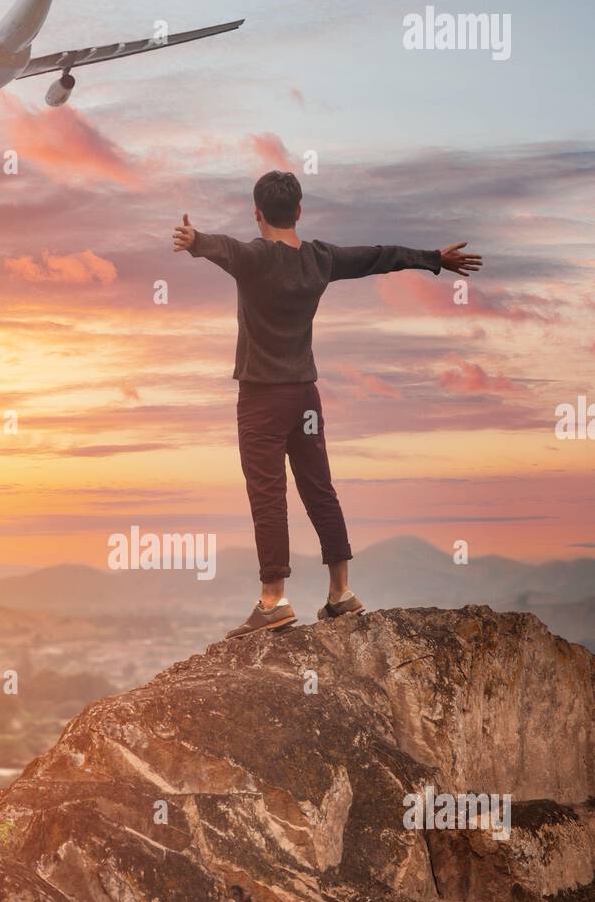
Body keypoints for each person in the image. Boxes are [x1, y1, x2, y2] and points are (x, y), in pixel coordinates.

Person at [173, 170, 482, 637]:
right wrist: (434, 259)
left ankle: (273, 600)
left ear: (257, 213)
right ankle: (341, 593)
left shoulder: (254, 257)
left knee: (268, 494)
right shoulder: (321, 259)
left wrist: (195, 239)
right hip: (306, 397)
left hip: (261, 396)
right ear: (298, 211)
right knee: (319, 486)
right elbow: (379, 257)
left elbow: (223, 247)